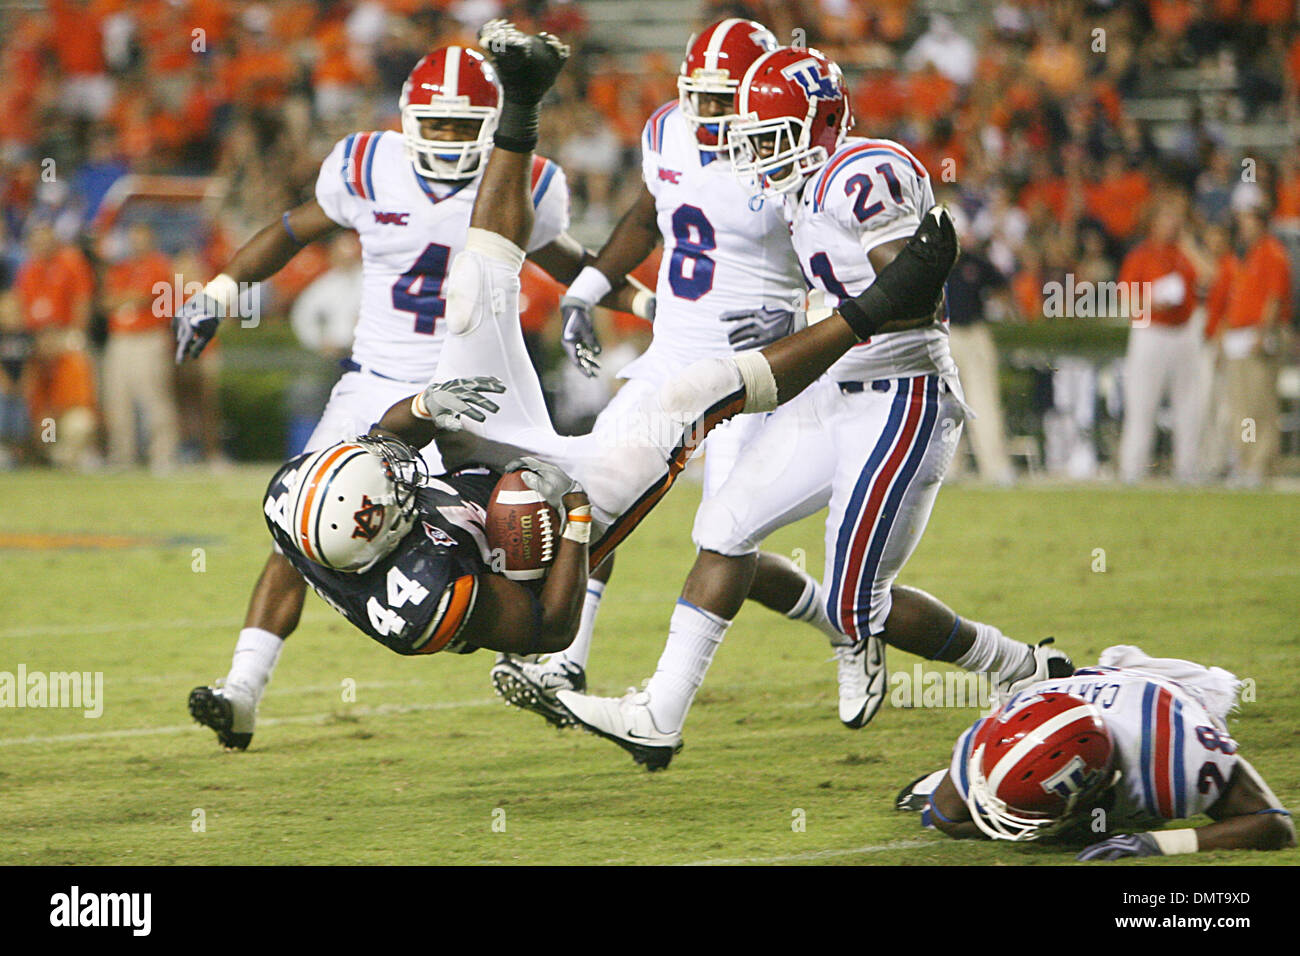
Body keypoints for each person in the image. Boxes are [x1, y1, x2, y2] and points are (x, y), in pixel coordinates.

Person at [193, 21, 962, 747]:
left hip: (463, 418)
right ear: (394, 539)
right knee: (689, 410)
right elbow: (546, 622)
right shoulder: (429, 600)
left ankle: (521, 103)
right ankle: (869, 319)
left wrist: (425, 407)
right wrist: (570, 520)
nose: (398, 474)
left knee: (472, 291)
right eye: (395, 490)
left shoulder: (323, 499)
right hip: (545, 523)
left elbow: (391, 441)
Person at [555, 47, 1069, 771]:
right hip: (831, 390)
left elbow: (910, 291)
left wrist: (817, 324)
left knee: (860, 607)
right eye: (754, 140)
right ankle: (659, 714)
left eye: (772, 138)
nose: (761, 156)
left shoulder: (864, 172)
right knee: (723, 527)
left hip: (901, 394)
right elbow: (840, 288)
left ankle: (1019, 667)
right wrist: (792, 322)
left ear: (823, 122)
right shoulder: (798, 184)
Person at [178, 43, 647, 751]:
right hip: (379, 383)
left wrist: (647, 302)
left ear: (493, 123)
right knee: (307, 530)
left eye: (467, 126)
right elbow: (290, 231)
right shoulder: (368, 166)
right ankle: (242, 688)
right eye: (440, 124)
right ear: (407, 119)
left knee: (575, 499)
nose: (453, 139)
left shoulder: (528, 178)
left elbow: (561, 257)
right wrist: (218, 291)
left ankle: (559, 663)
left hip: (483, 385)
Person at [491, 19, 859, 733]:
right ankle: (568, 656)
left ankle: (842, 624)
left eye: (726, 102)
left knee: (727, 542)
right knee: (589, 493)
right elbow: (649, 212)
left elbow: (836, 264)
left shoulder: (789, 149)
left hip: (756, 370)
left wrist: (802, 317)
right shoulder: (668, 129)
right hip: (674, 352)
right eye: (702, 98)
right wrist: (588, 288)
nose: (711, 115)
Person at [896, 646, 1294, 860]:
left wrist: (1156, 844)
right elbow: (947, 816)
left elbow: (1271, 823)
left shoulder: (1173, 750)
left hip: (1172, 687)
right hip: (1076, 695)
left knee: (1137, 813)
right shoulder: (988, 738)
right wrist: (1044, 835)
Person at [1115, 200, 1202, 484]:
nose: (1172, 224)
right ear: (1153, 223)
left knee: (1189, 406)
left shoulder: (1186, 253)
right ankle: (1132, 471)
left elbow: (1211, 277)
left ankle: (1187, 471)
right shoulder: (1141, 255)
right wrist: (1154, 299)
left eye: (1176, 218)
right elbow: (1126, 301)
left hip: (1184, 332)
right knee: (1141, 405)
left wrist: (1189, 244)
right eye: (1166, 217)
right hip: (1150, 331)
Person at [1218, 204, 1291, 487]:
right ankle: (1245, 461)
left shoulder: (1272, 253)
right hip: (1240, 338)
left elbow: (1274, 296)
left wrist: (1263, 332)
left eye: (1248, 220)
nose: (1243, 226)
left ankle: (1261, 464)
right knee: (1242, 406)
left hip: (1257, 335)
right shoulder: (1248, 255)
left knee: (1259, 405)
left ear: (1262, 223)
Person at [101, 222, 180, 472]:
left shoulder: (159, 264)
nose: (136, 244)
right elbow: (105, 302)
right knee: (117, 398)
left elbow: (145, 295)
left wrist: (125, 298)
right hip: (120, 339)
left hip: (148, 337)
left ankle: (163, 454)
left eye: (141, 238)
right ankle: (122, 455)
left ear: (151, 240)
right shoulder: (121, 268)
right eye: (133, 238)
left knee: (153, 396)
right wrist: (128, 298)